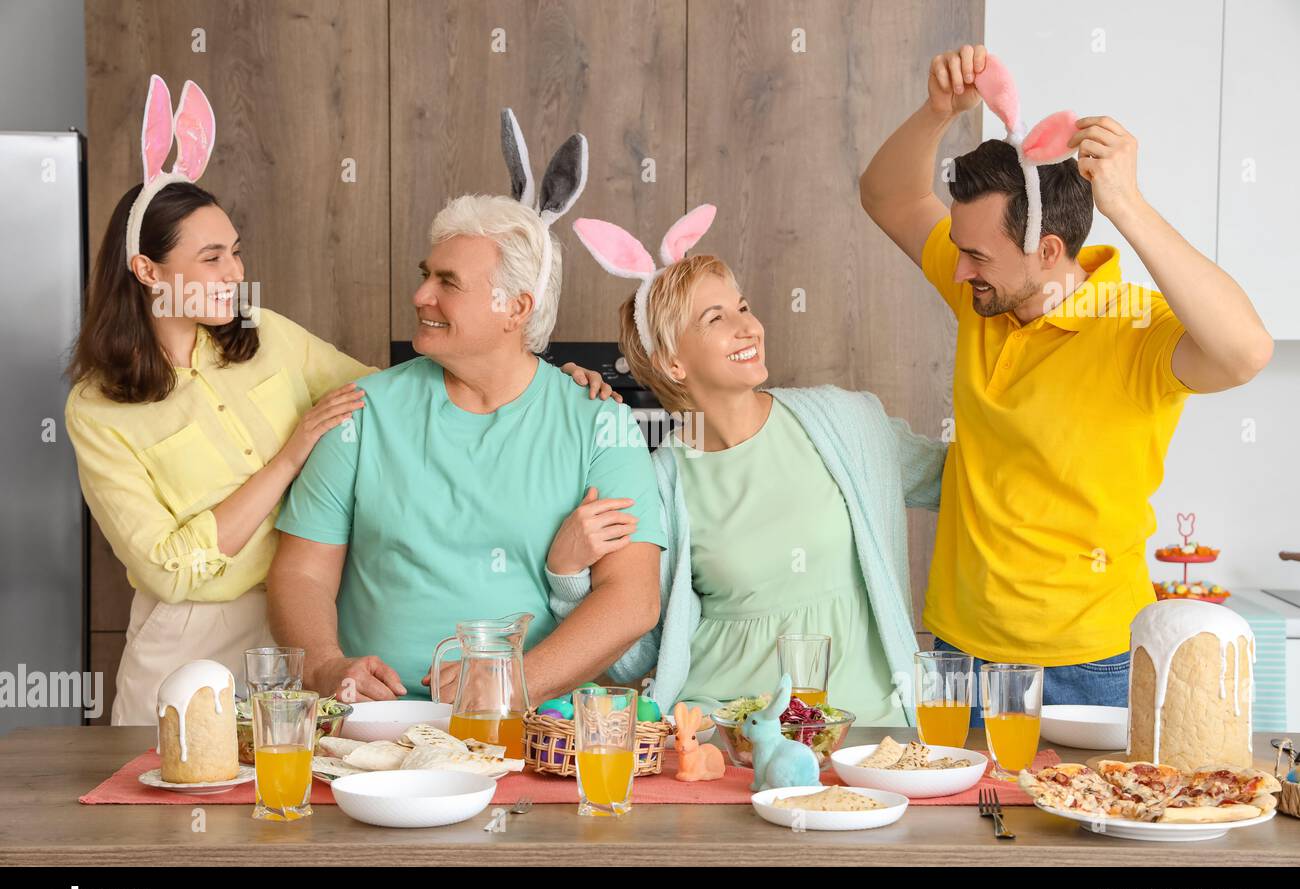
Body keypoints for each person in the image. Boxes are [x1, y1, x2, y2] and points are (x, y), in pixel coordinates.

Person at [858, 44, 1273, 715]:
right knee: (951, 822)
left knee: (1086, 819)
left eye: (974, 255)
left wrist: (1129, 205)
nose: (957, 272)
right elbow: (889, 195)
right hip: (960, 653)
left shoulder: (1133, 329)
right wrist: (938, 112)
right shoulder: (985, 292)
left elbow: (1245, 352)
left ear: (1047, 251)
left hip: (1092, 662)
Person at [268, 116, 666, 705]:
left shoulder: (599, 423)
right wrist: (326, 667)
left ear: (515, 309)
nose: (420, 295)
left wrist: (508, 684)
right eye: (425, 275)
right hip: (377, 730)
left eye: (447, 283)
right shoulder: (362, 411)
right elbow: (300, 573)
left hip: (527, 728)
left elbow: (631, 600)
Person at [544, 205, 946, 723]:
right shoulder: (663, 481)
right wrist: (568, 577)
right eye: (716, 319)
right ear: (672, 362)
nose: (748, 327)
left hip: (869, 734)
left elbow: (967, 479)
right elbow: (635, 658)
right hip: (720, 738)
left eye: (743, 307)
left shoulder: (846, 423)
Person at [64, 77, 374, 724]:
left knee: (294, 812)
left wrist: (543, 382)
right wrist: (288, 459)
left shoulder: (267, 333)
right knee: (166, 820)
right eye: (211, 257)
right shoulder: (97, 409)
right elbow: (169, 569)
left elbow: (382, 394)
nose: (235, 272)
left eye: (235, 252)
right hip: (189, 644)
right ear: (148, 271)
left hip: (307, 622)